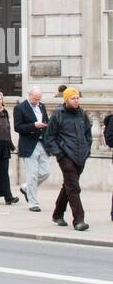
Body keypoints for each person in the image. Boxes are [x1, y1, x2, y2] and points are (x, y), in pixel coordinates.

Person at [46, 87, 93, 231]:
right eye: (73, 98)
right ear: (66, 99)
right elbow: (49, 137)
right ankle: (79, 220)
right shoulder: (58, 114)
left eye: (77, 98)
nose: (76, 100)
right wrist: (59, 153)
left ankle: (57, 213)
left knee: (68, 185)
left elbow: (88, 133)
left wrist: (86, 149)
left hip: (80, 155)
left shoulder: (82, 114)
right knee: (74, 187)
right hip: (65, 155)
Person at [13, 87, 51, 212]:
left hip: (42, 143)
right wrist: (33, 125)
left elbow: (46, 120)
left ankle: (26, 187)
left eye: (39, 99)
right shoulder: (20, 108)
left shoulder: (42, 106)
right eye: (35, 99)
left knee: (45, 172)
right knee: (32, 174)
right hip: (29, 143)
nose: (37, 101)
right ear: (29, 95)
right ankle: (33, 203)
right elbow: (18, 127)